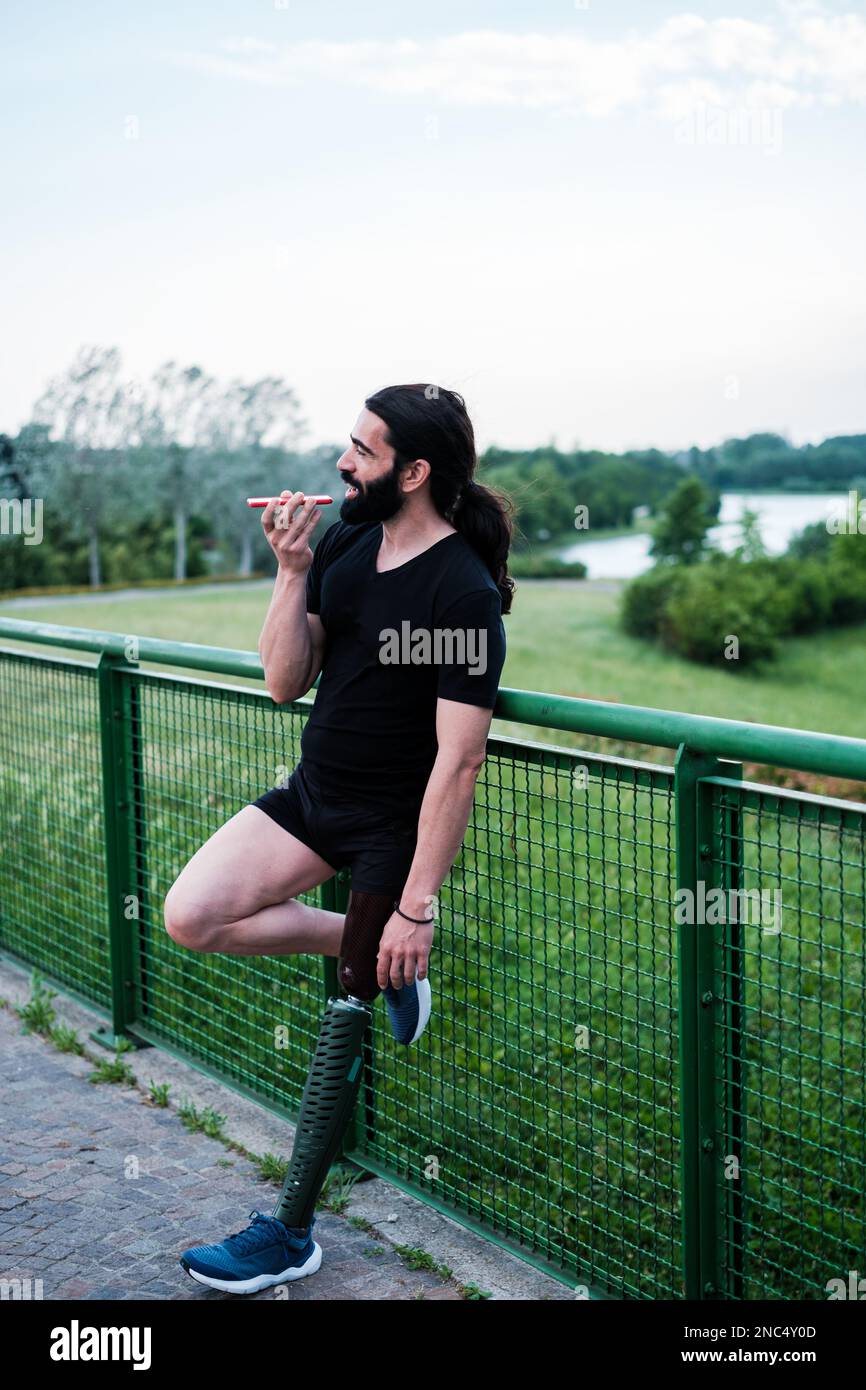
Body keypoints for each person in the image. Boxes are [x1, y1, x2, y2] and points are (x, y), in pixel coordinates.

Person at [164, 383, 513, 1293]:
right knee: (191, 914)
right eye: (347, 444)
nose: (342, 463)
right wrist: (288, 571)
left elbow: (459, 763)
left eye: (361, 450)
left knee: (344, 1019)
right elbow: (285, 682)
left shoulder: (463, 592)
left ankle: (289, 1234)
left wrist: (414, 906)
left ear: (416, 471)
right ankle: (382, 953)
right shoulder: (350, 540)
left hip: (390, 834)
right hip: (315, 794)